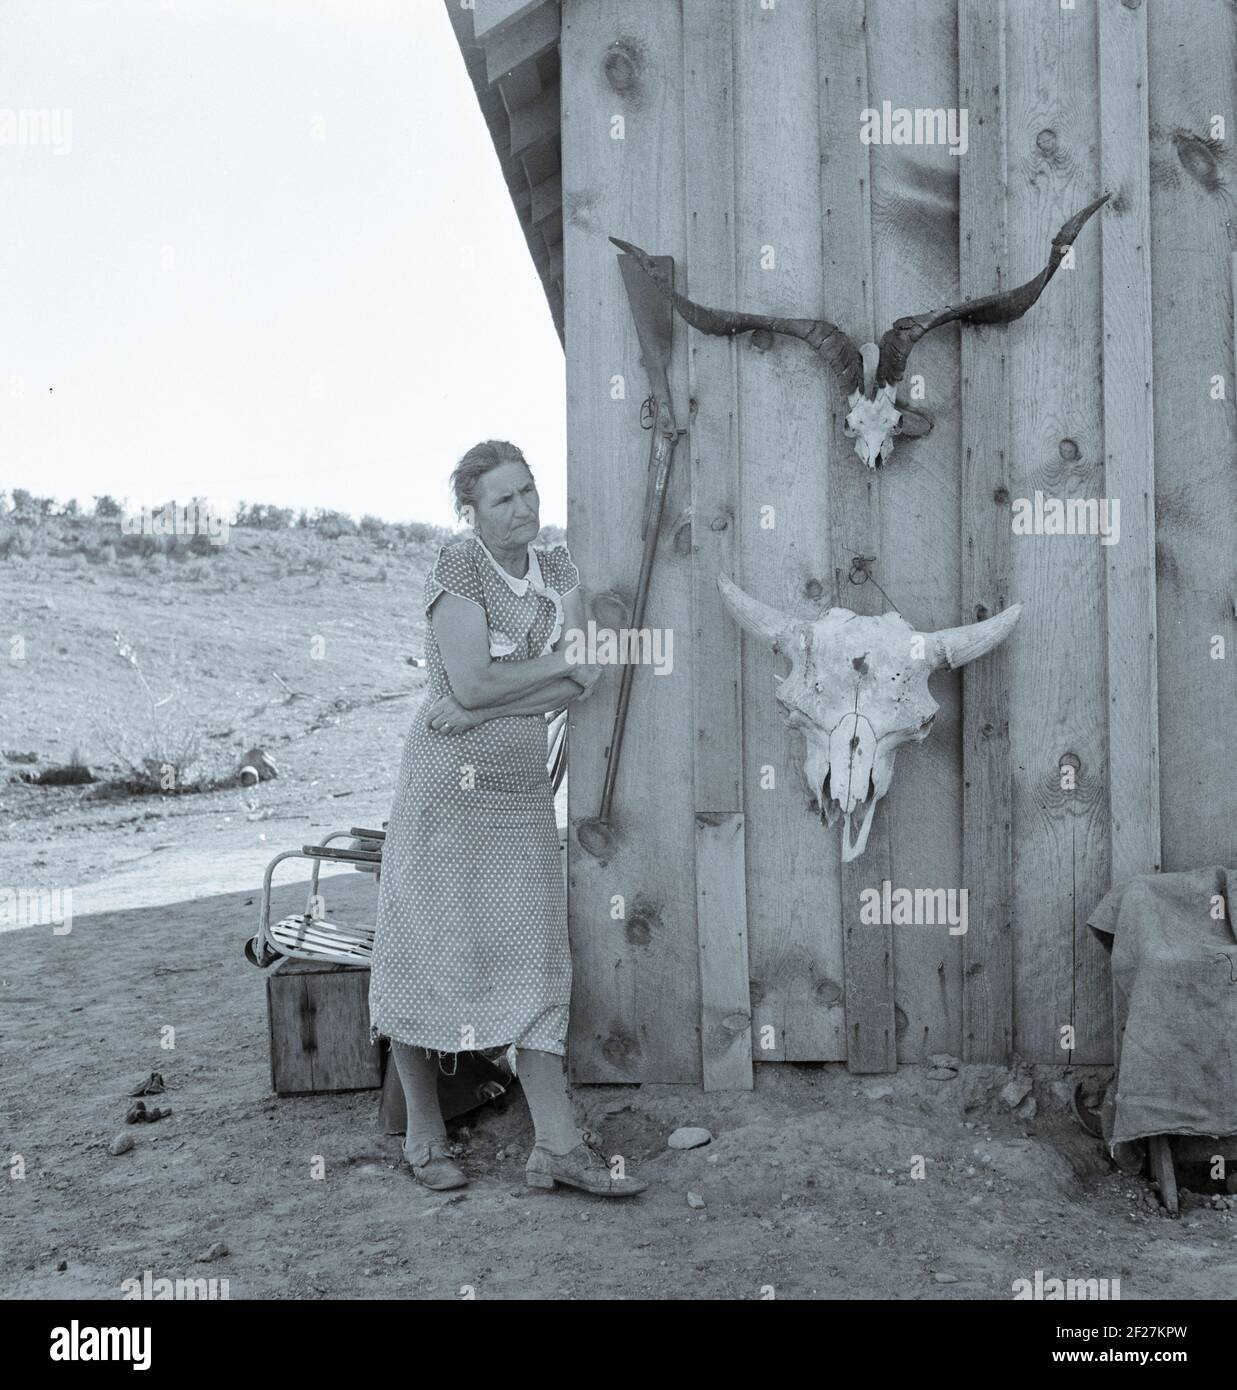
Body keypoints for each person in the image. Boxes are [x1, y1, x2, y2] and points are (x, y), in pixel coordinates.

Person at [368, 439, 646, 1198]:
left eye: (527, 492)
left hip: (519, 791)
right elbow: (470, 680)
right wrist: (546, 672)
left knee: (536, 956)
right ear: (471, 511)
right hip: (444, 792)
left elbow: (570, 683)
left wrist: (521, 686)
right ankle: (424, 1138)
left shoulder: (557, 572)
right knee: (427, 948)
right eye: (502, 499)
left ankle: (555, 1147)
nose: (522, 508)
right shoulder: (460, 569)